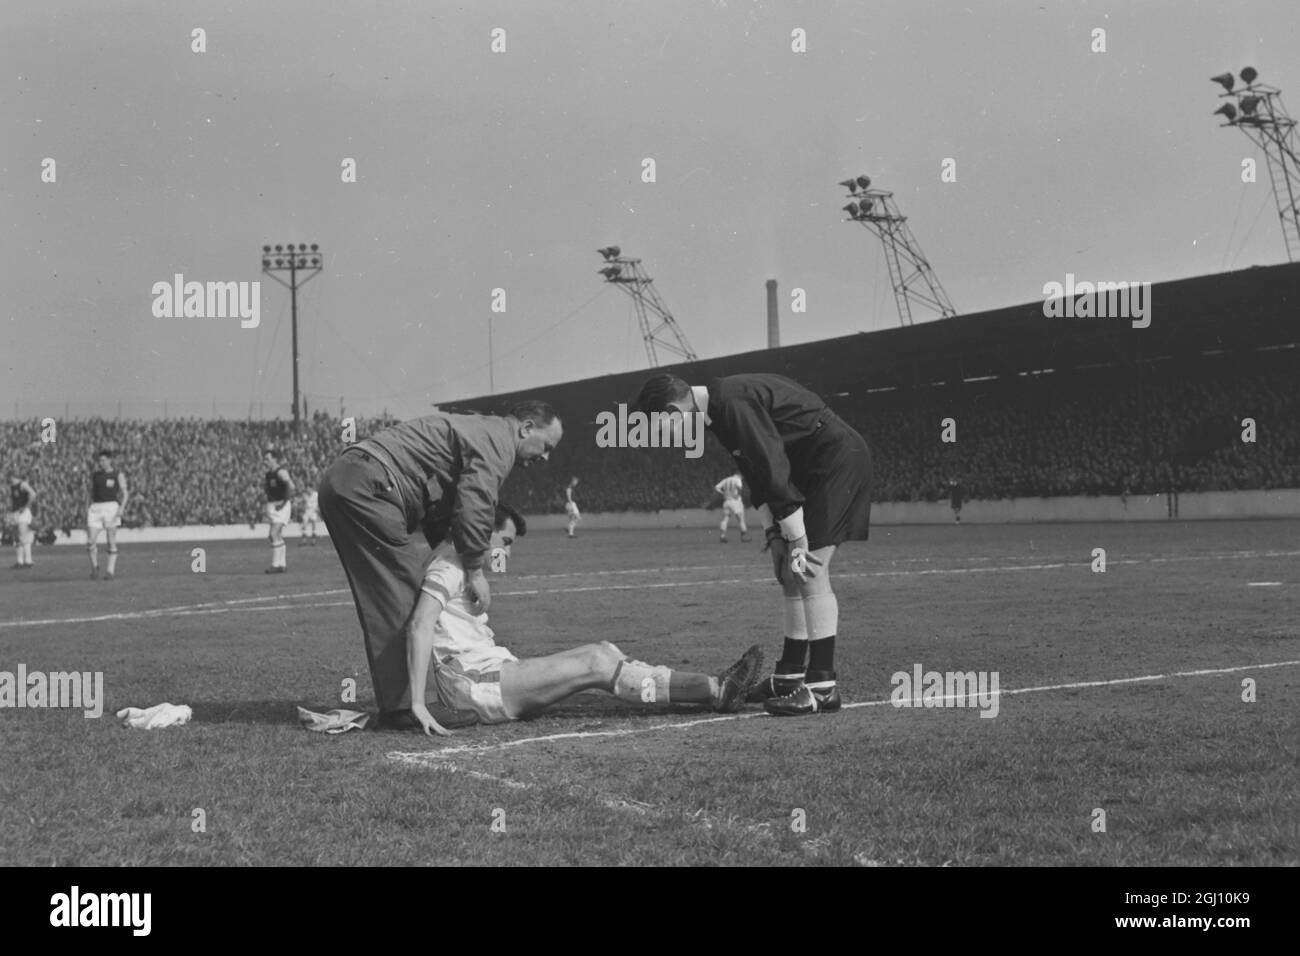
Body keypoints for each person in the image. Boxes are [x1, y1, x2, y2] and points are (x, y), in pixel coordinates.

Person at [634, 372, 872, 717]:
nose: (666, 439)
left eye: (661, 429)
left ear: (672, 411)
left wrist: (797, 537)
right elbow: (754, 470)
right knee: (792, 573)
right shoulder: (716, 408)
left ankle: (822, 688)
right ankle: (789, 676)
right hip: (811, 464)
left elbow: (770, 462)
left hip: (835, 460)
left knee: (807, 570)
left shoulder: (730, 401)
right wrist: (775, 535)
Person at [407, 505, 764, 734]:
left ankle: (714, 687)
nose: (509, 552)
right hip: (474, 684)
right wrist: (418, 704)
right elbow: (420, 624)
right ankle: (717, 689)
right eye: (506, 540)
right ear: (483, 529)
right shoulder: (449, 563)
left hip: (486, 676)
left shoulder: (456, 562)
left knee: (603, 652)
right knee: (596, 660)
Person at [318, 400, 562, 732]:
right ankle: (408, 707)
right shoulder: (499, 442)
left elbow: (440, 509)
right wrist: (474, 571)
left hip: (346, 479)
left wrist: (447, 555)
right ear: (527, 427)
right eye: (547, 446)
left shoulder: (478, 429)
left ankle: (403, 702)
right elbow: (475, 504)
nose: (546, 457)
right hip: (370, 484)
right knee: (402, 592)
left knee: (387, 596)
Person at [87, 450, 129, 580]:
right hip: (96, 508)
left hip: (111, 508)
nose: (101, 463)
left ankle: (110, 571)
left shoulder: (117, 474)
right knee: (90, 541)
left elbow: (125, 493)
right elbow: (90, 492)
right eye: (100, 461)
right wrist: (86, 507)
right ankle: (95, 567)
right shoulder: (96, 475)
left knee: (111, 540)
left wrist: (122, 508)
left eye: (103, 460)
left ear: (110, 460)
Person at [262, 447, 294, 574]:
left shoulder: (281, 472)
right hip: (273, 506)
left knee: (273, 534)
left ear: (274, 459)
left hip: (281, 506)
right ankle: (282, 564)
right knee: (278, 535)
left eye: (267, 459)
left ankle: (275, 565)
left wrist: (284, 502)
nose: (265, 461)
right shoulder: (268, 474)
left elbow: (291, 487)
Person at [7, 477, 37, 570]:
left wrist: (26, 506)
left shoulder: (22, 484)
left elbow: (33, 494)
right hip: (15, 513)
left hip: (23, 513)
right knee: (17, 538)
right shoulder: (12, 486)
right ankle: (20, 562)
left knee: (23, 536)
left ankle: (28, 561)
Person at [714, 472, 751, 543]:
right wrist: (737, 495)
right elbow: (739, 488)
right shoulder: (737, 479)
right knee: (740, 518)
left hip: (727, 501)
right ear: (740, 476)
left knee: (726, 518)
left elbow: (717, 487)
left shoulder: (726, 479)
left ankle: (722, 536)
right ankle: (744, 537)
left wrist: (723, 493)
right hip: (735, 501)